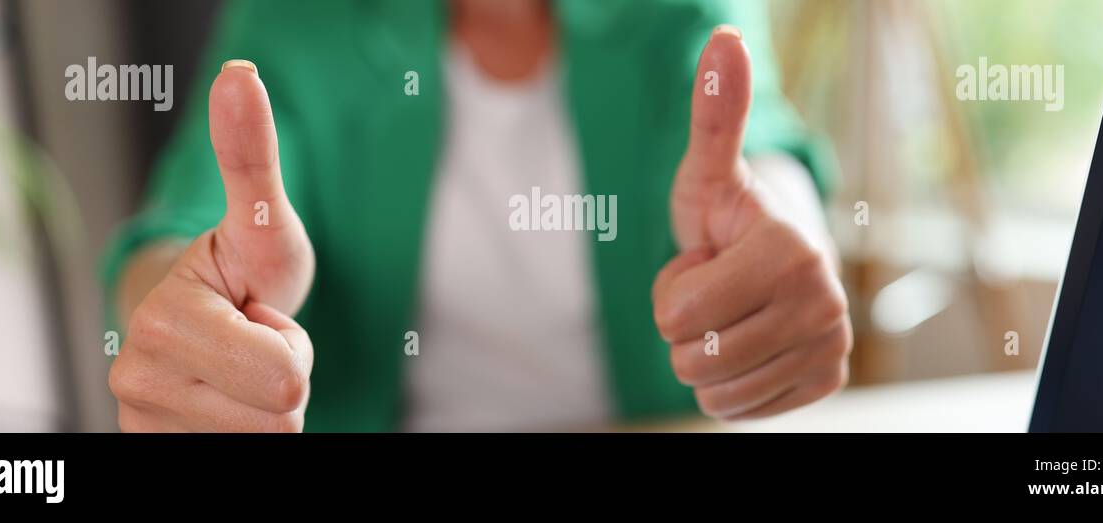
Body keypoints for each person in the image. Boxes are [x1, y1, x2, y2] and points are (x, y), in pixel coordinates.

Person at [104, 0, 852, 432]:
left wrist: (789, 232)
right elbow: (184, 223)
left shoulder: (672, 9)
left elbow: (757, 147)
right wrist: (181, 319)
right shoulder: (295, 19)